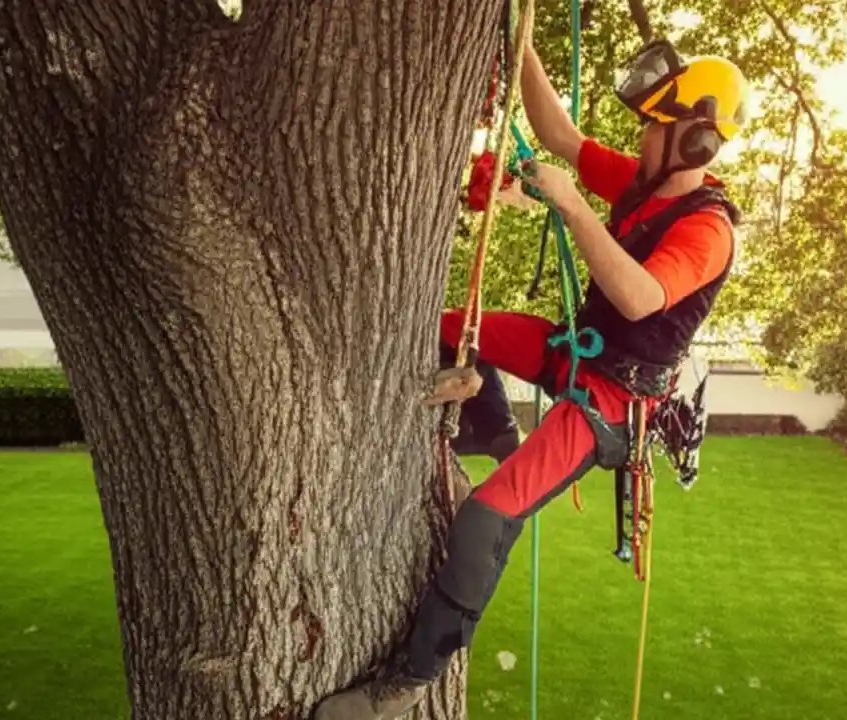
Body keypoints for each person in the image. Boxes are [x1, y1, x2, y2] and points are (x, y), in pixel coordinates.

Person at [315, 35, 749, 720]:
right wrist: (513, 36)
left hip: (610, 400)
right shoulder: (642, 182)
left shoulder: (707, 231)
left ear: (694, 143)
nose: (639, 137)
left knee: (486, 517)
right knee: (451, 325)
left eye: (652, 128)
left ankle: (407, 681)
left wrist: (572, 206)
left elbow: (639, 295)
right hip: (578, 352)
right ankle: (491, 424)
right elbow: (558, 134)